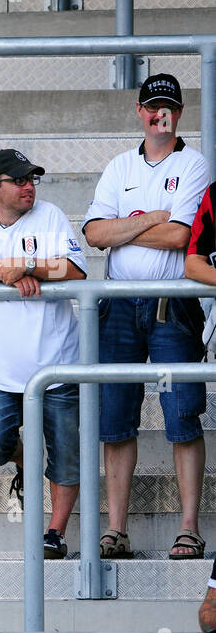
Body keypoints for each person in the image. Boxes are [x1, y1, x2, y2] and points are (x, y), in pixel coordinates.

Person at [84, 73, 212, 561]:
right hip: (119, 302)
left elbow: (180, 239)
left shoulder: (193, 162)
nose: (161, 114)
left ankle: (188, 528)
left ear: (179, 113)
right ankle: (116, 530)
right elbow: (94, 233)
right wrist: (154, 217)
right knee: (115, 420)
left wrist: (124, 228)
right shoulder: (119, 165)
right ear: (140, 110)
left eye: (170, 107)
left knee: (182, 416)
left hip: (171, 302)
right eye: (153, 105)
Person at [0, 149, 87, 559]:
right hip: (0, 371)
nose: (29, 187)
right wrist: (3, 271)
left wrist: (29, 265)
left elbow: (77, 270)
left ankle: (55, 532)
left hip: (58, 362)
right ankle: (27, 462)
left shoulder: (51, 214)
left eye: (32, 179)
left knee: (65, 455)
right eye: (20, 180)